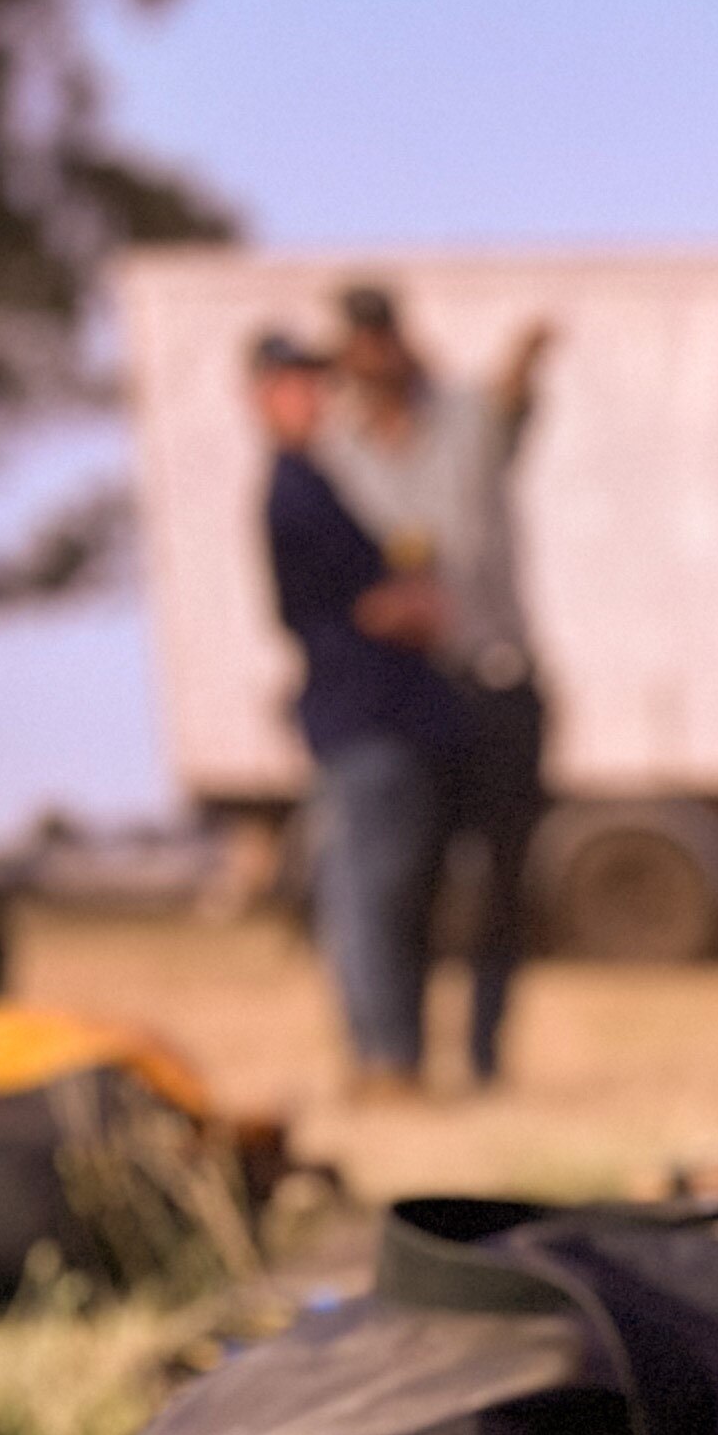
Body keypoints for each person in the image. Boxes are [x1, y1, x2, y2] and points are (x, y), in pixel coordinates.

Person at [318, 283, 554, 1087]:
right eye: (360, 339)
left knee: (500, 886)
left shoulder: (465, 419)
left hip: (496, 678)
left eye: (384, 334)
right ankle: (402, 1058)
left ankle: (487, 1057)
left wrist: (524, 362)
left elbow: (510, 406)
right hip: (412, 700)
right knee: (404, 881)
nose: (375, 353)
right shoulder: (338, 451)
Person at [247, 329, 464, 1094]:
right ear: (264, 397)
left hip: (388, 720)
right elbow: (342, 608)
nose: (314, 401)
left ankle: (393, 1054)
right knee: (366, 895)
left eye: (318, 386)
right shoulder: (293, 492)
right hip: (360, 721)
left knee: (391, 892)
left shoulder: (324, 482)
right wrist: (400, 606)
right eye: (296, 386)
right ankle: (384, 1061)